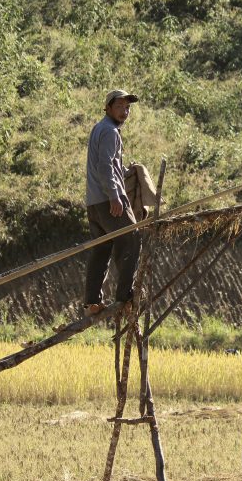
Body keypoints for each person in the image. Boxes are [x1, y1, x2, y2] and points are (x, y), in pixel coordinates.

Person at [84, 89, 141, 315]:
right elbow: (105, 166)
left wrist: (127, 171)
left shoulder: (99, 129)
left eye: (127, 108)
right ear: (107, 108)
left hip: (93, 202)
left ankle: (91, 303)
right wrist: (115, 195)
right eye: (119, 107)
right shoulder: (110, 132)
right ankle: (125, 297)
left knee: (102, 248)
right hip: (108, 200)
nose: (124, 112)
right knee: (132, 237)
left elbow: (108, 165)